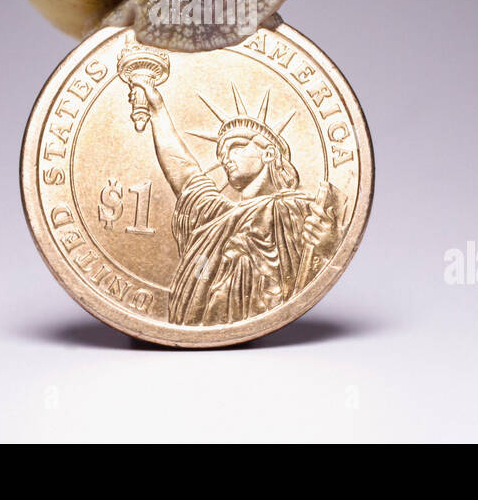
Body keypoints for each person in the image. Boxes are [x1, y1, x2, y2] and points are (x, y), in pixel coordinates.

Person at [128, 79, 340, 326]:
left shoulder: (298, 209)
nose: (225, 158)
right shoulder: (219, 216)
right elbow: (185, 172)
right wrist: (157, 110)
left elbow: (308, 271)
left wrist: (328, 245)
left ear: (268, 153)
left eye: (236, 147)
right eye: (221, 153)